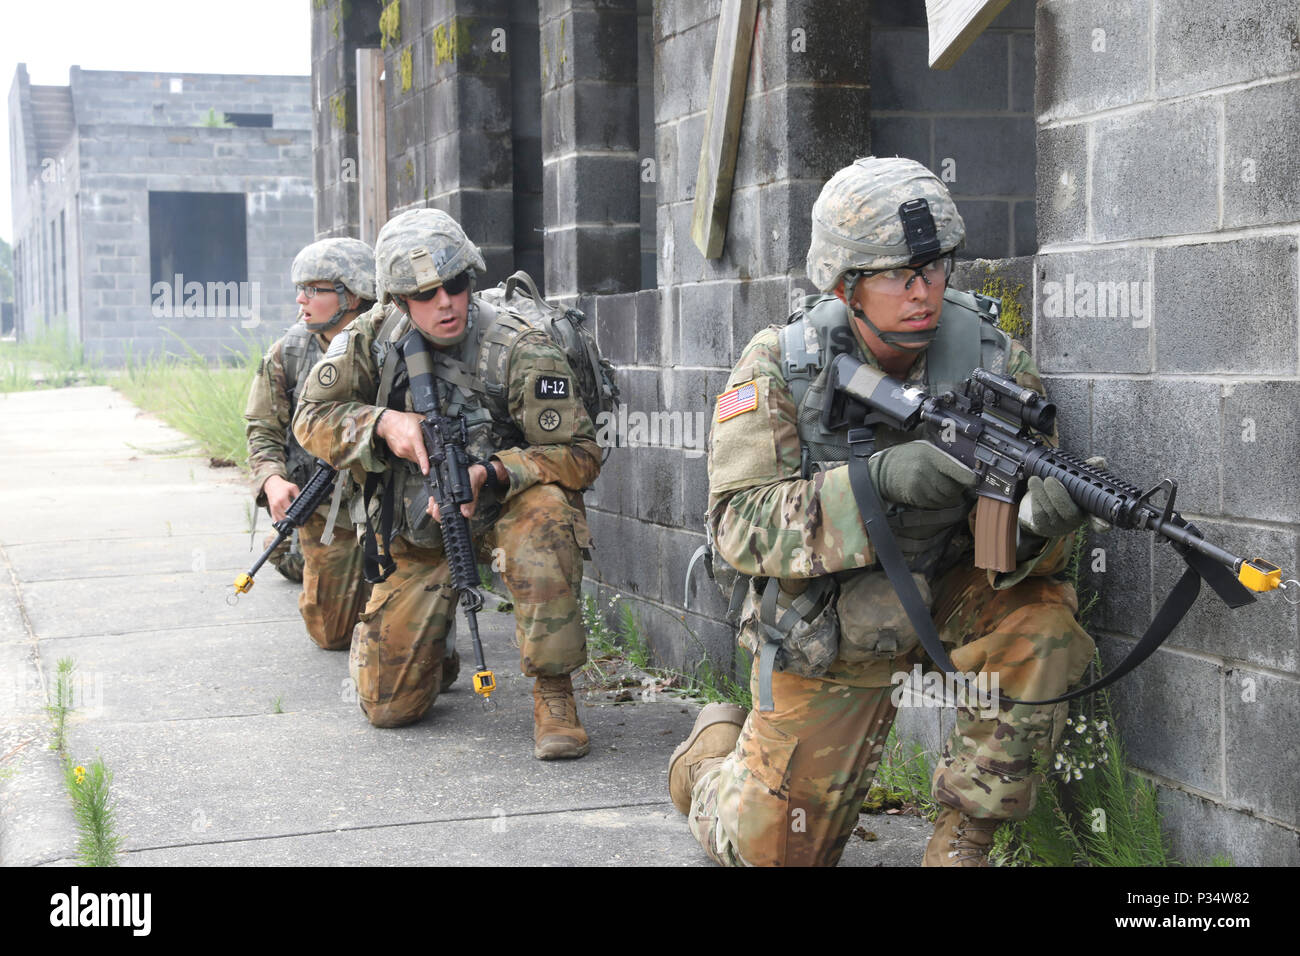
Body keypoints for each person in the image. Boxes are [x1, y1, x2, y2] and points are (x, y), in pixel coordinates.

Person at [668, 156, 1096, 866]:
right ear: (845, 283)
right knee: (775, 853)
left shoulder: (992, 358)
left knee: (1043, 622)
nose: (924, 293)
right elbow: (735, 525)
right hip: (832, 623)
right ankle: (708, 764)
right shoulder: (782, 363)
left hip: (951, 595)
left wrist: (1033, 528)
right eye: (900, 274)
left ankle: (967, 835)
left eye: (935, 270)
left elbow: (1009, 555)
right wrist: (877, 483)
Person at [291, 208, 600, 759]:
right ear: (396, 301)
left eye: (455, 286)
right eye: (425, 293)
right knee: (388, 709)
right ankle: (432, 649)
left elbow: (578, 454)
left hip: (503, 512)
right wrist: (382, 424)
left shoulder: (518, 346)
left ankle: (554, 692)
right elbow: (309, 419)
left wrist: (496, 472)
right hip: (417, 526)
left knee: (546, 516)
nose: (446, 304)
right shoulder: (369, 340)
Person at [244, 238, 378, 654]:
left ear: (352, 294)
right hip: (322, 502)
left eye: (315, 290)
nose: (300, 300)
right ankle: (291, 549)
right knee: (332, 634)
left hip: (384, 501)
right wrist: (272, 481)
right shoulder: (291, 351)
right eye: (300, 289)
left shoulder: (392, 342)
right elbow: (263, 426)